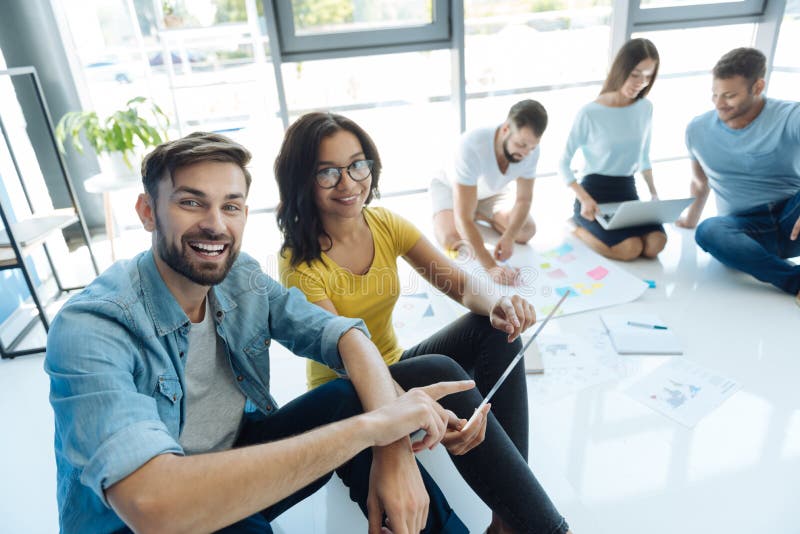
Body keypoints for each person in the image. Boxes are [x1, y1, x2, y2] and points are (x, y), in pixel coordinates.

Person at [45, 132, 481, 534]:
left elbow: (345, 336)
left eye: (230, 206)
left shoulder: (241, 278)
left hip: (232, 455)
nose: (215, 224)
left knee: (348, 397)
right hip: (150, 517)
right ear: (147, 211)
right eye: (191, 203)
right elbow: (154, 505)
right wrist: (374, 428)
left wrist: (392, 448)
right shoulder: (93, 327)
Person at [276, 112, 572, 534]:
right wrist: (428, 410)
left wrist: (499, 304)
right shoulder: (298, 263)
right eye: (328, 172)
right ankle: (549, 528)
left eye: (358, 164)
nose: (349, 183)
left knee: (495, 328)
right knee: (438, 372)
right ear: (301, 180)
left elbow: (462, 285)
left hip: (395, 365)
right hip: (347, 390)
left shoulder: (383, 223)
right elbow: (352, 358)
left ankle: (510, 519)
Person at [678, 47, 800, 305]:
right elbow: (701, 181)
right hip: (744, 229)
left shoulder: (790, 116)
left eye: (730, 95)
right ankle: (793, 280)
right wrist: (690, 219)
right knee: (709, 230)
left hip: (792, 219)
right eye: (715, 94)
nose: (719, 103)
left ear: (757, 87)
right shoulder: (698, 129)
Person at [559, 38, 667, 261]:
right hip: (594, 193)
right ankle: (577, 228)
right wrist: (585, 199)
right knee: (630, 249)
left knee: (655, 244)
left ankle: (591, 227)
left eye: (648, 76)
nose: (641, 82)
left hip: (627, 189)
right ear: (622, 69)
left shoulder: (645, 108)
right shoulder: (590, 112)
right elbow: (563, 163)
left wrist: (654, 194)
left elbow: (644, 156)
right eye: (635, 74)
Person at [430, 99, 547, 285]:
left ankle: (475, 211)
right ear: (505, 129)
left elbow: (524, 200)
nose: (526, 153)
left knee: (525, 231)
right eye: (521, 145)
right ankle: (467, 211)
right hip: (450, 188)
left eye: (532, 147)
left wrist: (509, 236)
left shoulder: (531, 150)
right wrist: (491, 267)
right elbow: (463, 220)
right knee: (451, 239)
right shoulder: (471, 146)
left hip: (491, 192)